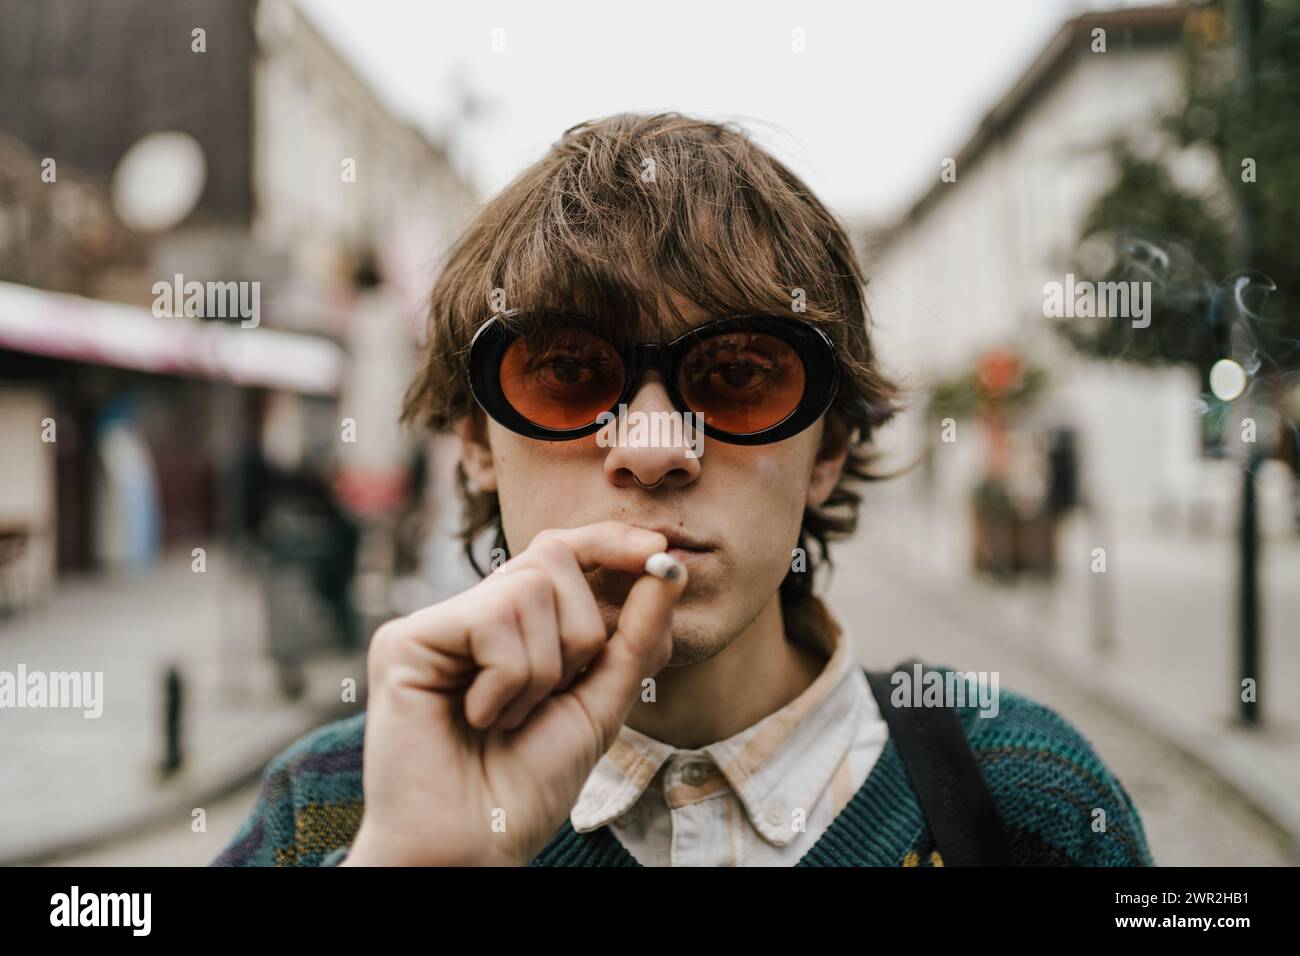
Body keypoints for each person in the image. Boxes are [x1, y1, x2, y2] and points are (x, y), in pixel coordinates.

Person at [212, 112, 1152, 867]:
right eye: (569, 373)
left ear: (828, 451)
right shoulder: (334, 806)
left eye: (740, 377)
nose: (655, 450)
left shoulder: (1029, 800)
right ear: (475, 443)